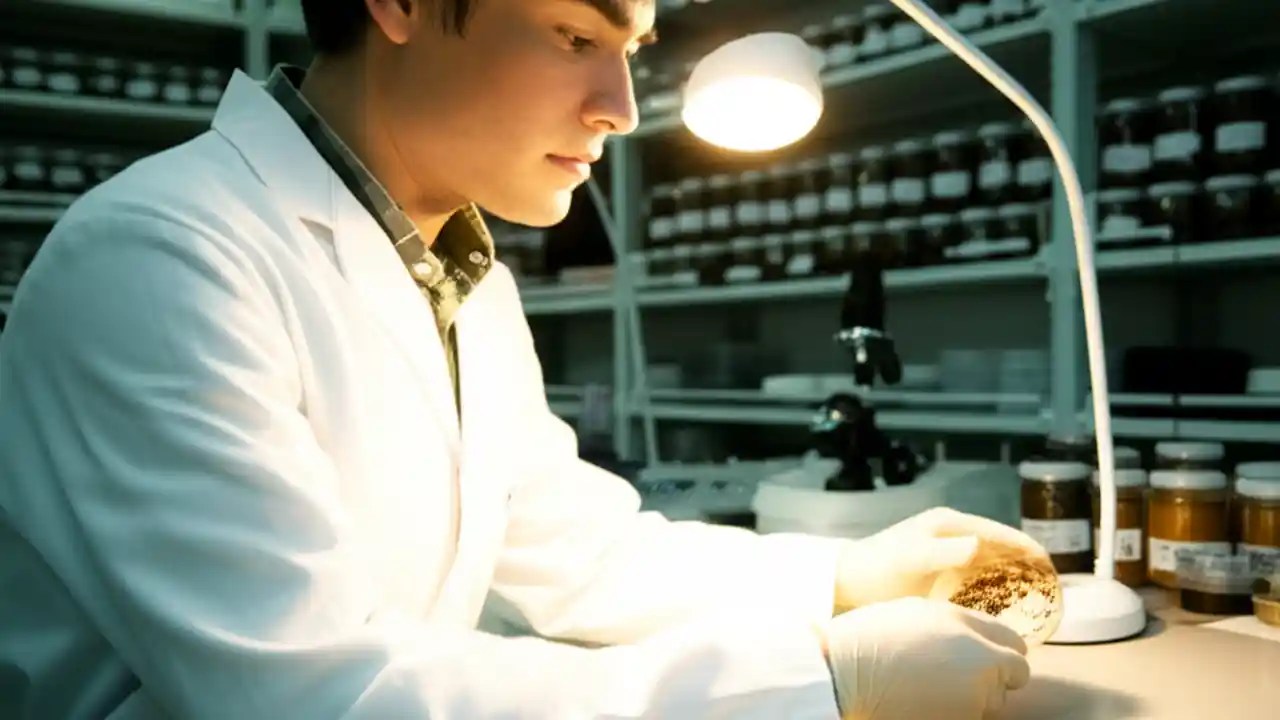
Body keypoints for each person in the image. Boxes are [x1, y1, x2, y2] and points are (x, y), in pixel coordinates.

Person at [0, 1, 1046, 717]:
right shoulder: (162, 255)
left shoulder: (465, 279)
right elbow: (308, 693)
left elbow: (579, 555)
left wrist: (840, 579)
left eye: (631, 50)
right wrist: (817, 680)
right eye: (574, 34)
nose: (621, 107)